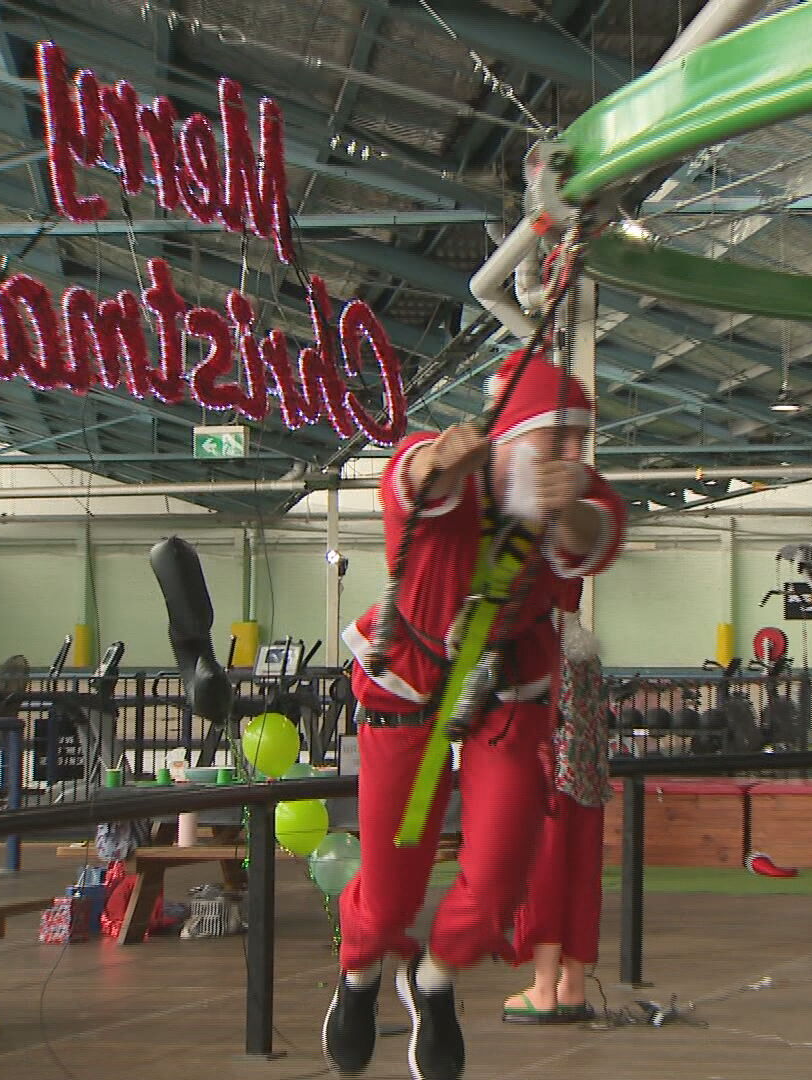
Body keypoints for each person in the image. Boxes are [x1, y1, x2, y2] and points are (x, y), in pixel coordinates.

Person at [321, 352, 625, 1080]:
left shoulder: (573, 497)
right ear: (512, 435)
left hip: (507, 698)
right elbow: (412, 477)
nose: (574, 457)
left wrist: (570, 503)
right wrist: (438, 457)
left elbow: (595, 532)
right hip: (408, 697)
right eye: (558, 439)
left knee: (498, 885)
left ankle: (433, 981)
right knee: (388, 896)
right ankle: (360, 971)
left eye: (583, 442)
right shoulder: (455, 489)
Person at [502, 620, 608, 1026]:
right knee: (582, 881)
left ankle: (543, 988)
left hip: (548, 777)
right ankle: (572, 985)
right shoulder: (587, 653)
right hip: (590, 777)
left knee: (541, 880)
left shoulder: (534, 647)